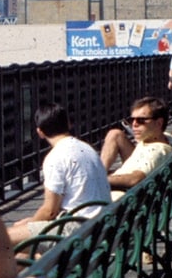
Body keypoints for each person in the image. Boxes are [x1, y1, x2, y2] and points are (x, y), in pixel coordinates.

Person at [7, 102, 111, 244]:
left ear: (40, 132)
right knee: (21, 246)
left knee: (2, 238)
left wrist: (30, 223)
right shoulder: (87, 148)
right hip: (102, 224)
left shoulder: (55, 157)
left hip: (78, 229)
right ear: (68, 124)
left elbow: (50, 211)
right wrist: (31, 223)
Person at [106, 96, 172, 200]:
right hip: (126, 194)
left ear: (159, 123)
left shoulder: (154, 152)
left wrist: (99, 180)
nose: (134, 124)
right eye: (132, 119)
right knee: (115, 134)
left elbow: (135, 179)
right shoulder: (166, 139)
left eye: (141, 120)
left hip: (117, 200)